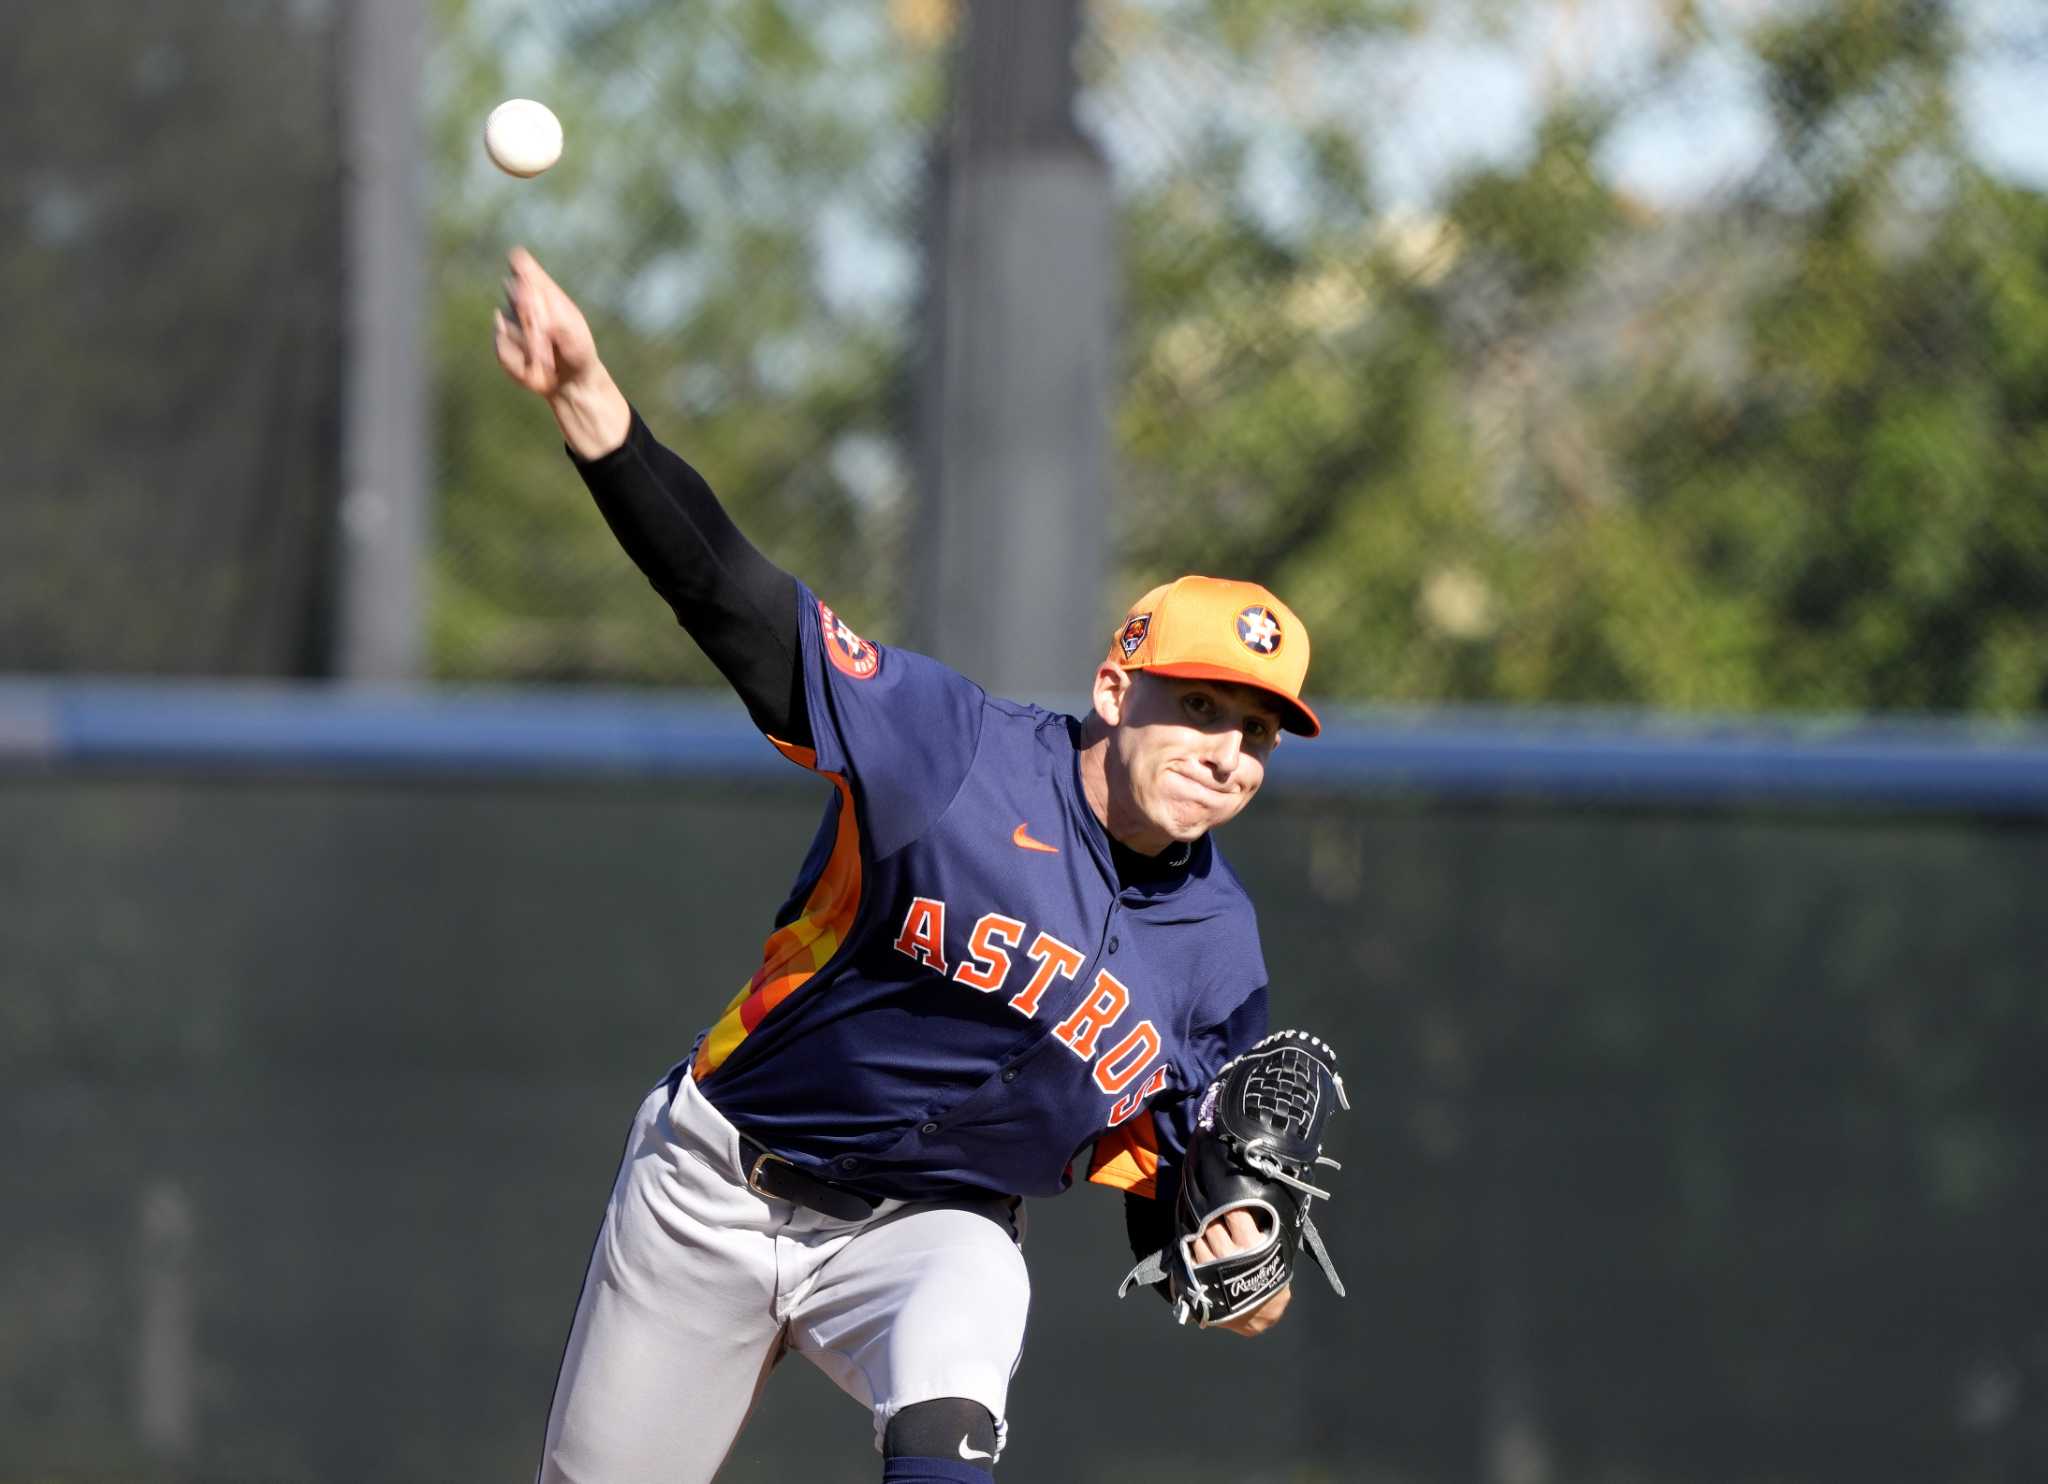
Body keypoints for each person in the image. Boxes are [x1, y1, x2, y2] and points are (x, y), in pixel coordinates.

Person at [494, 246, 1325, 1484]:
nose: (1224, 750)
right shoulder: (953, 750)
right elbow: (736, 601)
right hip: (719, 1180)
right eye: (1199, 706)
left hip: (934, 1230)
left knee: (956, 1379)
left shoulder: (1218, 955)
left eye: (1255, 732)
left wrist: (1227, 1248)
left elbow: (1168, 1185)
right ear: (1114, 687)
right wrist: (591, 407)